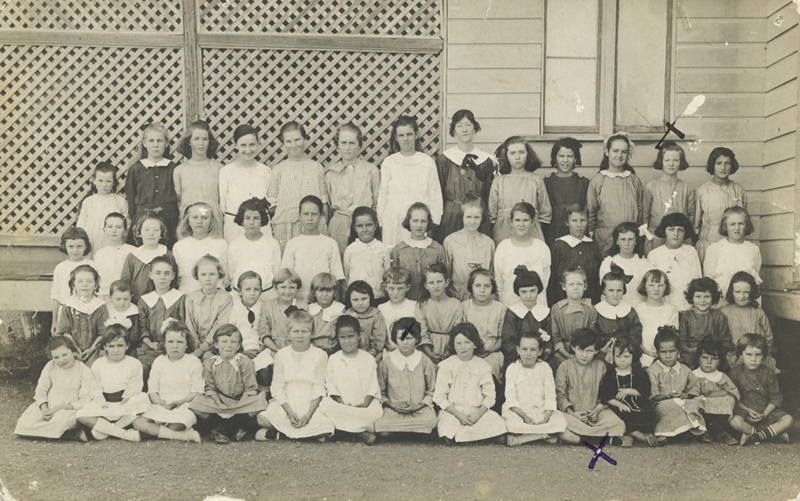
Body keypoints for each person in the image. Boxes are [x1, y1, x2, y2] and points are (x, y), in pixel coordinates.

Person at [255, 309, 335, 441]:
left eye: (304, 331)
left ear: (312, 333)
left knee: (327, 424)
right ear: (288, 333)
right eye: (295, 331)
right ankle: (308, 435)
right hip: (288, 400)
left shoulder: (320, 355)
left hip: (310, 401)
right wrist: (289, 412)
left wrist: (308, 415)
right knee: (262, 419)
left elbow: (319, 387)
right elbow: (277, 387)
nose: (300, 336)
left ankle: (278, 435)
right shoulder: (282, 354)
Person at [189, 324, 268, 443]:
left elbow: (250, 389)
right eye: (224, 341)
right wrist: (219, 404)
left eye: (233, 342)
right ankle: (236, 427)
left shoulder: (245, 362)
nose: (228, 345)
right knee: (196, 403)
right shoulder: (210, 363)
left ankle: (220, 428)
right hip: (219, 402)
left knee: (260, 401)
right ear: (216, 344)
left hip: (242, 401)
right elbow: (210, 389)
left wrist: (238, 408)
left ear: (239, 345)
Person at [433, 323, 507, 444]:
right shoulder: (446, 365)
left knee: (496, 422)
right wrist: (459, 415)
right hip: (453, 412)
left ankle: (467, 437)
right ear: (453, 346)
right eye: (459, 343)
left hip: (477, 411)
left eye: (467, 342)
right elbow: (440, 397)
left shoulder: (483, 366)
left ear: (475, 344)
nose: (463, 347)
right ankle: (471, 437)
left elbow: (490, 396)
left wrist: (478, 414)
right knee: (448, 426)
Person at [14, 335, 98, 441]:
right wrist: (44, 408)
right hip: (49, 406)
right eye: (56, 357)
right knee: (24, 422)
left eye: (65, 355)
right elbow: (41, 390)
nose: (61, 360)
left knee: (60, 421)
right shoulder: (50, 366)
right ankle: (64, 435)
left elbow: (85, 399)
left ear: (74, 352)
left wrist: (61, 407)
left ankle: (70, 433)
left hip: (68, 408)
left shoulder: (83, 370)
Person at [132, 319, 203, 442]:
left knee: (176, 425)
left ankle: (157, 432)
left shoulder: (193, 361)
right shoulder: (159, 361)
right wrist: (160, 404)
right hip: (161, 406)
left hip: (183, 406)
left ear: (187, 344)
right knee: (138, 422)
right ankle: (183, 436)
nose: (175, 346)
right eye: (170, 342)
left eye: (180, 342)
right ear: (164, 343)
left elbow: (197, 391)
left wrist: (179, 402)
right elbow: (152, 390)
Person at [377, 115, 443, 247]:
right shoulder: (389, 162)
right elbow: (383, 195)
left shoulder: (427, 162)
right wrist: (381, 223)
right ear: (396, 137)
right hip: (393, 220)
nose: (405, 139)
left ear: (417, 135)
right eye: (401, 135)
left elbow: (435, 196)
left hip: (418, 221)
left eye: (409, 134)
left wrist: (433, 223)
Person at [76, 325, 149, 442]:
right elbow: (94, 387)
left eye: (120, 345)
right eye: (111, 346)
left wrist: (125, 401)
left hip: (126, 403)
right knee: (81, 414)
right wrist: (102, 403)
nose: (116, 350)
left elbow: (135, 386)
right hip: (105, 403)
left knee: (143, 401)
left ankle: (107, 430)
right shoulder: (98, 364)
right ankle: (123, 433)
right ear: (105, 346)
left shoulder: (134, 363)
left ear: (127, 345)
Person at [319, 316, 383, 445]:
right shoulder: (334, 359)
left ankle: (343, 432)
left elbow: (372, 385)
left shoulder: (368, 358)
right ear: (337, 338)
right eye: (342, 338)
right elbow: (331, 386)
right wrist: (341, 403)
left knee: (376, 412)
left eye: (351, 336)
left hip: (363, 405)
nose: (347, 341)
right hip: (341, 404)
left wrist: (365, 403)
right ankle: (360, 433)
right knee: (325, 406)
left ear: (359, 336)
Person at [555, 328, 625, 444]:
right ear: (573, 348)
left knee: (619, 424)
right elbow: (560, 395)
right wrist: (573, 414)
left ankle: (582, 439)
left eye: (589, 351)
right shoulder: (565, 367)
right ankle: (600, 439)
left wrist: (596, 411)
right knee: (560, 426)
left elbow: (605, 394)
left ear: (596, 351)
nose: (584, 355)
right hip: (572, 414)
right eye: (580, 350)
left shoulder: (601, 366)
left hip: (596, 413)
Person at [435, 109, 496, 241]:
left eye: (468, 125)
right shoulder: (444, 160)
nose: (464, 129)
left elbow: (488, 193)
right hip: (451, 216)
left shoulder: (485, 160)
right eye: (459, 126)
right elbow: (438, 192)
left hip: (477, 216)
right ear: (453, 131)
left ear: (475, 128)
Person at [267, 121, 328, 251]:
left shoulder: (316, 167)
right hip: (285, 227)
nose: (294, 145)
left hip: (313, 226)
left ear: (305, 139)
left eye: (297, 140)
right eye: (288, 141)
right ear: (283, 144)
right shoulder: (278, 170)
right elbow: (272, 203)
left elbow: (324, 202)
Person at [374, 317, 438, 438]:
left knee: (431, 422)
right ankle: (413, 432)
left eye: (409, 338)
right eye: (400, 338)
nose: (405, 342)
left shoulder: (424, 360)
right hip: (394, 410)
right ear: (395, 339)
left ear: (417, 339)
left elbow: (432, 390)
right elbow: (380, 391)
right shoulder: (387, 362)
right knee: (381, 426)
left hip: (419, 409)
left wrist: (418, 406)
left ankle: (403, 432)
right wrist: (393, 405)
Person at [503, 331, 568, 446]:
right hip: (519, 412)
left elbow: (550, 395)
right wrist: (524, 416)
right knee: (510, 423)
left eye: (533, 350)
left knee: (560, 421)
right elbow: (510, 397)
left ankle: (522, 438)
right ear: (518, 350)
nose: (528, 353)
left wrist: (546, 418)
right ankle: (543, 435)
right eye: (524, 349)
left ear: (540, 352)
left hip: (541, 411)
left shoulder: (545, 367)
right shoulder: (512, 368)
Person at [325, 123, 381, 254]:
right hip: (338, 226)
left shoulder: (371, 170)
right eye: (343, 143)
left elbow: (377, 202)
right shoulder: (331, 173)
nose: (348, 148)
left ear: (359, 145)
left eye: (352, 143)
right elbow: (327, 206)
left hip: (364, 226)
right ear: (337, 145)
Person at [729, 333, 794, 445]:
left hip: (765, 411)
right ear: (741, 355)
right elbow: (732, 397)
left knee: (789, 420)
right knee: (735, 422)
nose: (753, 359)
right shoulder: (735, 373)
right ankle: (768, 435)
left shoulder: (768, 373)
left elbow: (776, 398)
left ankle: (755, 437)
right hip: (745, 412)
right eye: (749, 355)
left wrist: (764, 413)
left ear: (763, 356)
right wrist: (747, 410)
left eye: (758, 355)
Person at [587, 133, 644, 255]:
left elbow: (640, 209)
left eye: (624, 152)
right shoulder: (598, 181)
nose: (619, 155)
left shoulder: (634, 180)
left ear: (628, 154)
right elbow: (591, 210)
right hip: (605, 238)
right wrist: (592, 232)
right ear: (607, 152)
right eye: (615, 151)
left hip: (629, 239)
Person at [125, 122, 179, 248]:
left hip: (169, 221)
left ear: (166, 144)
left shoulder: (174, 168)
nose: (155, 145)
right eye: (151, 141)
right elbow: (131, 200)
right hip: (142, 221)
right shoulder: (136, 169)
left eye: (160, 141)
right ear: (144, 143)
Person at [280, 195, 345, 300]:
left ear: (321, 216)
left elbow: (336, 277)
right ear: (300, 216)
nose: (310, 218)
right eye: (306, 214)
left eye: (314, 214)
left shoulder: (330, 243)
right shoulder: (293, 243)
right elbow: (285, 275)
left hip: (323, 300)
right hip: (299, 300)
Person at [647, 326, 705, 443]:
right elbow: (653, 395)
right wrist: (669, 396)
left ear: (678, 351)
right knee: (677, 406)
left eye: (672, 351)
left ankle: (683, 432)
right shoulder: (653, 370)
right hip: (662, 405)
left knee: (695, 402)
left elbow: (694, 386)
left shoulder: (684, 369)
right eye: (663, 352)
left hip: (682, 401)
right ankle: (674, 432)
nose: (668, 356)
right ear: (657, 352)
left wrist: (688, 395)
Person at [488, 136, 551, 244]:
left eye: (521, 152)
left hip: (531, 232)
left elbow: (545, 213)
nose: (517, 157)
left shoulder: (536, 180)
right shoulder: (499, 181)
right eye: (512, 153)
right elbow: (492, 214)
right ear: (506, 156)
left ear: (528, 154)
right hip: (504, 232)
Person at [599, 337, 657, 447]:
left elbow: (645, 390)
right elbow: (606, 395)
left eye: (626, 356)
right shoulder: (610, 374)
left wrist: (629, 391)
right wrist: (619, 403)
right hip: (617, 404)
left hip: (636, 401)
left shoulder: (639, 373)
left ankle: (642, 432)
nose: (622, 360)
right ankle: (632, 434)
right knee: (620, 414)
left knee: (647, 411)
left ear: (633, 356)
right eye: (618, 356)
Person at [219, 124, 272, 243]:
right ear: (235, 145)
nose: (248, 150)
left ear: (258, 144)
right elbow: (222, 206)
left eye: (252, 144)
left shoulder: (266, 171)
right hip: (234, 227)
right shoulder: (226, 172)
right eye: (243, 145)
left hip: (261, 227)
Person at [642, 141, 696, 256]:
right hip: (656, 239)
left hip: (681, 239)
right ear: (661, 161)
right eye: (667, 160)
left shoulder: (687, 188)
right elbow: (644, 218)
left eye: (675, 160)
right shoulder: (651, 187)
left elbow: (691, 216)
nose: (671, 164)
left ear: (681, 162)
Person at [135, 256, 186, 378]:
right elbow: (142, 328)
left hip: (174, 347)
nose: (162, 277)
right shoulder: (144, 301)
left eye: (167, 273)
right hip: (150, 347)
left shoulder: (180, 298)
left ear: (173, 276)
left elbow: (183, 325)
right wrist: (150, 343)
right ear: (151, 275)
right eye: (158, 273)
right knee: (143, 368)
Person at [494, 202, 551, 307]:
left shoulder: (541, 247)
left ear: (533, 222)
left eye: (525, 220)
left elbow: (545, 279)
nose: (521, 224)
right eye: (517, 220)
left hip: (536, 304)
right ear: (511, 222)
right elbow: (498, 281)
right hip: (509, 302)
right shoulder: (503, 247)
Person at [694, 147, 747, 261]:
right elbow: (695, 225)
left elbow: (744, 221)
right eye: (718, 163)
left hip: (733, 245)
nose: (723, 168)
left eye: (727, 163)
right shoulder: (702, 191)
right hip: (709, 243)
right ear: (712, 165)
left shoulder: (738, 190)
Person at [719, 272, 777, 372]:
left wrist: (765, 354)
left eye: (746, 292)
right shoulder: (724, 312)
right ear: (731, 292)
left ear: (752, 292)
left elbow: (769, 335)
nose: (742, 296)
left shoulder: (757, 311)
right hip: (736, 357)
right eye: (737, 292)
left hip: (758, 356)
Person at [703, 205, 762, 306]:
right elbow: (708, 279)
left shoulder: (753, 249)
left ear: (746, 225)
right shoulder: (715, 248)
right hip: (722, 303)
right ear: (725, 226)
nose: (737, 228)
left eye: (741, 224)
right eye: (732, 224)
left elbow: (755, 274)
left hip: (745, 302)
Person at [389, 202, 446, 301]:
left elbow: (443, 276)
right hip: (405, 301)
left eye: (423, 221)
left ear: (428, 222)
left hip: (431, 301)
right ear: (408, 221)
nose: (419, 225)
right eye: (415, 221)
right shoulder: (399, 249)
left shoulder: (437, 248)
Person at [443, 193, 495, 301]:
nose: (472, 221)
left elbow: (491, 272)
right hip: (457, 296)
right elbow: (446, 273)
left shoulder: (488, 243)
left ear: (482, 217)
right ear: (462, 216)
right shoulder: (451, 241)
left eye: (477, 217)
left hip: (482, 297)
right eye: (468, 217)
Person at [548, 204, 602, 305]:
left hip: (589, 303)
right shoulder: (559, 246)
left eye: (583, 220)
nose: (579, 225)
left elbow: (596, 277)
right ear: (567, 222)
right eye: (574, 221)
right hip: (563, 302)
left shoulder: (593, 246)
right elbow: (552, 279)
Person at [647, 212, 701, 311]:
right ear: (664, 231)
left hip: (688, 307)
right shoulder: (654, 254)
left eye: (680, 230)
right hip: (663, 308)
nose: (675, 234)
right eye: (671, 230)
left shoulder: (691, 251)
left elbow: (697, 280)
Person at [228, 272, 274, 388]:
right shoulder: (233, 308)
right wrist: (240, 351)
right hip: (238, 350)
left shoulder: (264, 308)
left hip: (259, 349)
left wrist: (262, 347)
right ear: (239, 291)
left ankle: (263, 394)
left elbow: (266, 330)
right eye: (248, 289)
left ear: (261, 290)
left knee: (265, 369)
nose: (252, 293)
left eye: (256, 289)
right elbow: (229, 333)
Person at [228, 198, 281, 297]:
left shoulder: (272, 243)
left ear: (262, 220)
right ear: (242, 220)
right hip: (241, 296)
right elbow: (232, 272)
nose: (252, 222)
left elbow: (276, 271)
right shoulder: (234, 244)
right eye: (247, 218)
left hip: (266, 294)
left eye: (256, 218)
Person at [172, 202, 229, 294]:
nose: (199, 221)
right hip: (188, 294)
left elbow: (225, 277)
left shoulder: (221, 244)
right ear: (188, 221)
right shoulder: (179, 246)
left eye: (205, 217)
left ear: (211, 221)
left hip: (215, 295)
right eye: (195, 217)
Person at [501, 266, 552, 368]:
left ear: (539, 290)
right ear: (518, 292)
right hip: (517, 358)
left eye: (532, 291)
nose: (528, 296)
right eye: (524, 292)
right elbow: (508, 341)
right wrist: (524, 356)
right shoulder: (513, 313)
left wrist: (544, 351)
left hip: (540, 357)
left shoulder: (545, 312)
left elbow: (549, 338)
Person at [692, 337, 739, 445]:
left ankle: (718, 431)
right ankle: (707, 431)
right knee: (693, 403)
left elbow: (735, 392)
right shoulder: (693, 375)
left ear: (720, 361)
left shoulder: (721, 376)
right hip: (701, 406)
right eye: (705, 358)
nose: (709, 362)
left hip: (718, 406)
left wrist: (725, 392)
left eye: (713, 358)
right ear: (698, 358)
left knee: (729, 400)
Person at [185, 255, 233, 359]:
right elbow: (189, 325)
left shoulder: (225, 298)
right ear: (197, 275)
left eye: (212, 274)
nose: (207, 279)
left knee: (209, 360)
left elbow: (220, 325)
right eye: (203, 274)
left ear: (219, 275)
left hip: (216, 345)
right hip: (194, 345)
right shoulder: (191, 298)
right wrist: (196, 345)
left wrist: (203, 347)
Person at [56, 264, 105, 365]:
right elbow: (65, 331)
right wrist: (75, 349)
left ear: (95, 285)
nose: (85, 285)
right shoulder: (69, 306)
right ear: (73, 285)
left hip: (95, 350)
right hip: (71, 348)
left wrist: (91, 350)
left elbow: (102, 333)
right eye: (80, 281)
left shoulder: (100, 307)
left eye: (89, 281)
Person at [543, 137, 589, 246]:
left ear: (575, 158)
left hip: (576, 229)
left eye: (570, 156)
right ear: (555, 158)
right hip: (552, 229)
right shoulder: (546, 182)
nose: (565, 160)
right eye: (561, 156)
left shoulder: (583, 182)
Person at [462, 268, 506, 380]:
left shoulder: (500, 308)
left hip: (492, 351)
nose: (482, 290)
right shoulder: (464, 307)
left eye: (487, 286)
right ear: (471, 287)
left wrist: (490, 350)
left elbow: (502, 338)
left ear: (493, 288)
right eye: (477, 286)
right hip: (468, 351)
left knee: (487, 372)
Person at [416, 262, 464, 364]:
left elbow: (457, 331)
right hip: (427, 349)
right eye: (431, 283)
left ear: (446, 282)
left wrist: (449, 351)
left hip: (452, 349)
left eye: (439, 282)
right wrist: (429, 353)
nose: (436, 286)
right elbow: (422, 332)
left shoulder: (456, 304)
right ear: (426, 285)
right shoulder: (422, 305)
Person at [121, 211, 174, 303]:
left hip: (162, 302)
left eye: (156, 230)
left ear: (161, 234)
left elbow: (173, 280)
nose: (151, 233)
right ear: (139, 233)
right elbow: (125, 282)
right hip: (137, 302)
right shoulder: (133, 256)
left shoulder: (167, 254)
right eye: (147, 229)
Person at [678, 278, 732, 367]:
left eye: (707, 297)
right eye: (698, 297)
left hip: (713, 354)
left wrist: (715, 352)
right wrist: (692, 350)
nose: (702, 300)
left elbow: (726, 341)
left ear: (713, 297)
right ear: (692, 297)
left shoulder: (718, 316)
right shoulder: (687, 316)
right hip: (691, 354)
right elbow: (682, 341)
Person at [76, 161, 128, 255]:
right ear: (94, 180)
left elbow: (126, 225)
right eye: (100, 181)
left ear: (113, 182)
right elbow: (81, 226)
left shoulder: (120, 202)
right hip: (92, 242)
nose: (104, 185)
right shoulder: (88, 201)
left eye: (108, 181)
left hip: (113, 243)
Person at [549, 268, 598, 367]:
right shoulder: (556, 309)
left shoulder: (591, 309)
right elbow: (555, 338)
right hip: (562, 354)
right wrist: (568, 355)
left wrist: (581, 354)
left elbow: (592, 336)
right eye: (571, 284)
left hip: (585, 353)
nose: (575, 287)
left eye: (579, 284)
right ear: (564, 286)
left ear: (585, 286)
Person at [51, 227, 95, 333]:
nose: (75, 250)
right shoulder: (60, 267)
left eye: (79, 246)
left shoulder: (92, 265)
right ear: (64, 246)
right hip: (65, 313)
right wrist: (54, 320)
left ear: (85, 246)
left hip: (87, 311)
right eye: (71, 246)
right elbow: (56, 295)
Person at [594, 266, 642, 363]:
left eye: (619, 290)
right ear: (603, 291)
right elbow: (593, 335)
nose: (615, 294)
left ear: (623, 291)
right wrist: (601, 349)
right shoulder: (595, 311)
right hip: (602, 355)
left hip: (626, 354)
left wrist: (626, 348)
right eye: (611, 290)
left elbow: (636, 336)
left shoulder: (630, 311)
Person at [172, 119, 222, 213]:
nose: (201, 143)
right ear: (189, 142)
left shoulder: (218, 168)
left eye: (205, 139)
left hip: (213, 219)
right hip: (189, 221)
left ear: (209, 142)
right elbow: (178, 201)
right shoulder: (179, 170)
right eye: (196, 139)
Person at [598, 222, 652, 306]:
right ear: (617, 241)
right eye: (623, 239)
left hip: (639, 308)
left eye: (630, 239)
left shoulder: (643, 263)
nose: (627, 244)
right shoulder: (608, 262)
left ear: (636, 241)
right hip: (616, 308)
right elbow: (606, 293)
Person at [343, 206, 390, 302]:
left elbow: (387, 274)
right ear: (354, 228)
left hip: (378, 297)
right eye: (360, 226)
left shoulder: (382, 249)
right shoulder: (350, 250)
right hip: (356, 299)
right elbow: (346, 275)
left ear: (375, 225)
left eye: (369, 225)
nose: (365, 229)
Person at [635, 270, 679, 367]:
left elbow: (674, 335)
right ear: (644, 287)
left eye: (660, 285)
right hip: (643, 356)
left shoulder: (671, 310)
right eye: (651, 285)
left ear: (666, 287)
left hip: (666, 357)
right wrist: (645, 350)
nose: (656, 289)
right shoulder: (638, 309)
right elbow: (634, 335)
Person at [260, 268, 308, 353]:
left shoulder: (302, 305)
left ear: (297, 288)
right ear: (275, 287)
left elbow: (305, 331)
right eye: (283, 287)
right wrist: (278, 351)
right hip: (273, 349)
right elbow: (264, 334)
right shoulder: (267, 306)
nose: (287, 291)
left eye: (292, 287)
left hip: (296, 349)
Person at [93, 280, 141, 357]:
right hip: (109, 346)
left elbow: (135, 334)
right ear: (110, 298)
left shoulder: (134, 312)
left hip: (128, 346)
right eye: (118, 299)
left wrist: (124, 344)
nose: (122, 303)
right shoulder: (106, 310)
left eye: (126, 299)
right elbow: (102, 331)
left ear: (131, 297)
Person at [93, 213, 136, 298]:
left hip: (125, 296)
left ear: (125, 231)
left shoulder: (133, 251)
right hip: (104, 295)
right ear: (104, 230)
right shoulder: (100, 253)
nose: (114, 230)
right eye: (110, 227)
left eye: (119, 227)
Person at [343, 281, 388, 359]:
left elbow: (379, 340)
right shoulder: (346, 315)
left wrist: (367, 357)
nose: (360, 303)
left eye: (364, 299)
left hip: (373, 354)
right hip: (351, 354)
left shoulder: (376, 315)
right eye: (355, 300)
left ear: (370, 298)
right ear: (350, 300)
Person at [307, 272, 345, 355]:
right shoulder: (309, 309)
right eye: (320, 290)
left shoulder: (340, 309)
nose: (325, 294)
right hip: (313, 349)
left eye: (329, 290)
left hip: (334, 350)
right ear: (314, 292)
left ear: (335, 292)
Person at [378, 266, 418, 344]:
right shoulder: (381, 308)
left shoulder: (414, 306)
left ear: (408, 287)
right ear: (385, 287)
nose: (395, 293)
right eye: (391, 289)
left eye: (400, 289)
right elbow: (382, 334)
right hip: (390, 350)